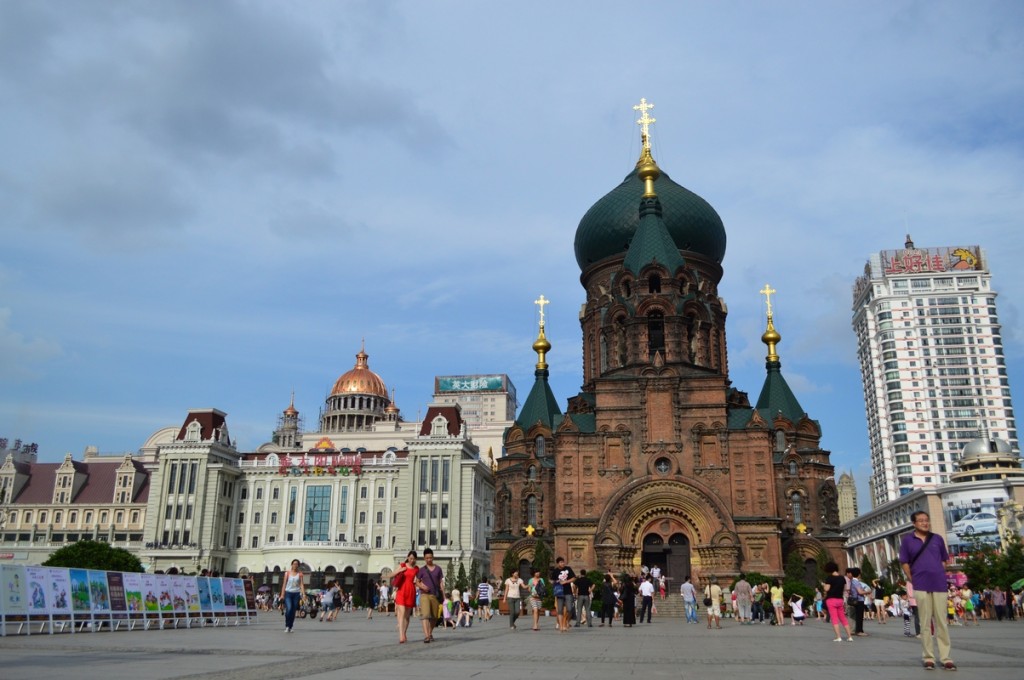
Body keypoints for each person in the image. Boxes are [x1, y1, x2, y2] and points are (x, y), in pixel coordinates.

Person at [900, 510, 955, 670]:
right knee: (924, 623)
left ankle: (946, 658)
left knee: (942, 622)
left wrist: (938, 572)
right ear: (914, 524)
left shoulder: (937, 539)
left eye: (926, 520)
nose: (925, 523)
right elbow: (904, 562)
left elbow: (944, 560)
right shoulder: (908, 540)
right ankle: (928, 657)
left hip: (939, 584)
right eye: (921, 520)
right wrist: (913, 578)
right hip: (921, 585)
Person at [416, 547, 444, 644]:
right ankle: (426, 636)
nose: (429, 559)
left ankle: (430, 632)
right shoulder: (422, 570)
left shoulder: (438, 569)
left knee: (435, 616)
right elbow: (417, 582)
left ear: (433, 557)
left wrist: (443, 596)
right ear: (424, 558)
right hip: (424, 595)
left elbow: (441, 583)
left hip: (434, 595)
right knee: (425, 615)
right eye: (427, 558)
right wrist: (422, 587)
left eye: (430, 557)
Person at [391, 550, 418, 643]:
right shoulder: (402, 565)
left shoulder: (416, 569)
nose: (412, 560)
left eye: (413, 559)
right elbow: (392, 574)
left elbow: (418, 580)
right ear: (407, 557)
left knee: (407, 616)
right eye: (410, 558)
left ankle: (404, 632)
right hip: (401, 591)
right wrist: (400, 570)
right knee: (402, 612)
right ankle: (401, 636)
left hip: (410, 591)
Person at [822, 561, 853, 642]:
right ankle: (850, 636)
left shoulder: (829, 578)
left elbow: (826, 589)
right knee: (843, 618)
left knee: (834, 619)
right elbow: (845, 588)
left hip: (831, 600)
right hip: (840, 599)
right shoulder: (842, 578)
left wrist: (824, 585)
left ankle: (838, 637)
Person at [279, 558, 306, 634]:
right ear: (291, 564)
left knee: (293, 611)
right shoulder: (287, 573)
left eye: (297, 564)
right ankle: (287, 626)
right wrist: (282, 595)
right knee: (289, 609)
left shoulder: (300, 574)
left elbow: (301, 584)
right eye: (294, 564)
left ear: (298, 566)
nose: (295, 565)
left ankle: (290, 627)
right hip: (288, 593)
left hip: (296, 594)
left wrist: (303, 594)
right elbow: (284, 584)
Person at [551, 557, 576, 633]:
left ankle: (566, 622)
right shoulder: (555, 571)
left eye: (563, 562)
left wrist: (566, 581)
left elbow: (574, 578)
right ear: (558, 563)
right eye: (561, 562)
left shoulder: (568, 569)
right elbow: (552, 580)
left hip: (568, 591)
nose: (563, 563)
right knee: (560, 610)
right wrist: (556, 582)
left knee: (569, 609)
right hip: (559, 592)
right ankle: (561, 626)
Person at [846, 567, 869, 636]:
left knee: (857, 616)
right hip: (859, 600)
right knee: (859, 617)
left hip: (855, 600)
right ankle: (859, 631)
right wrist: (868, 591)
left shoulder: (852, 581)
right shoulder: (856, 582)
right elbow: (860, 592)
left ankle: (857, 630)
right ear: (859, 574)